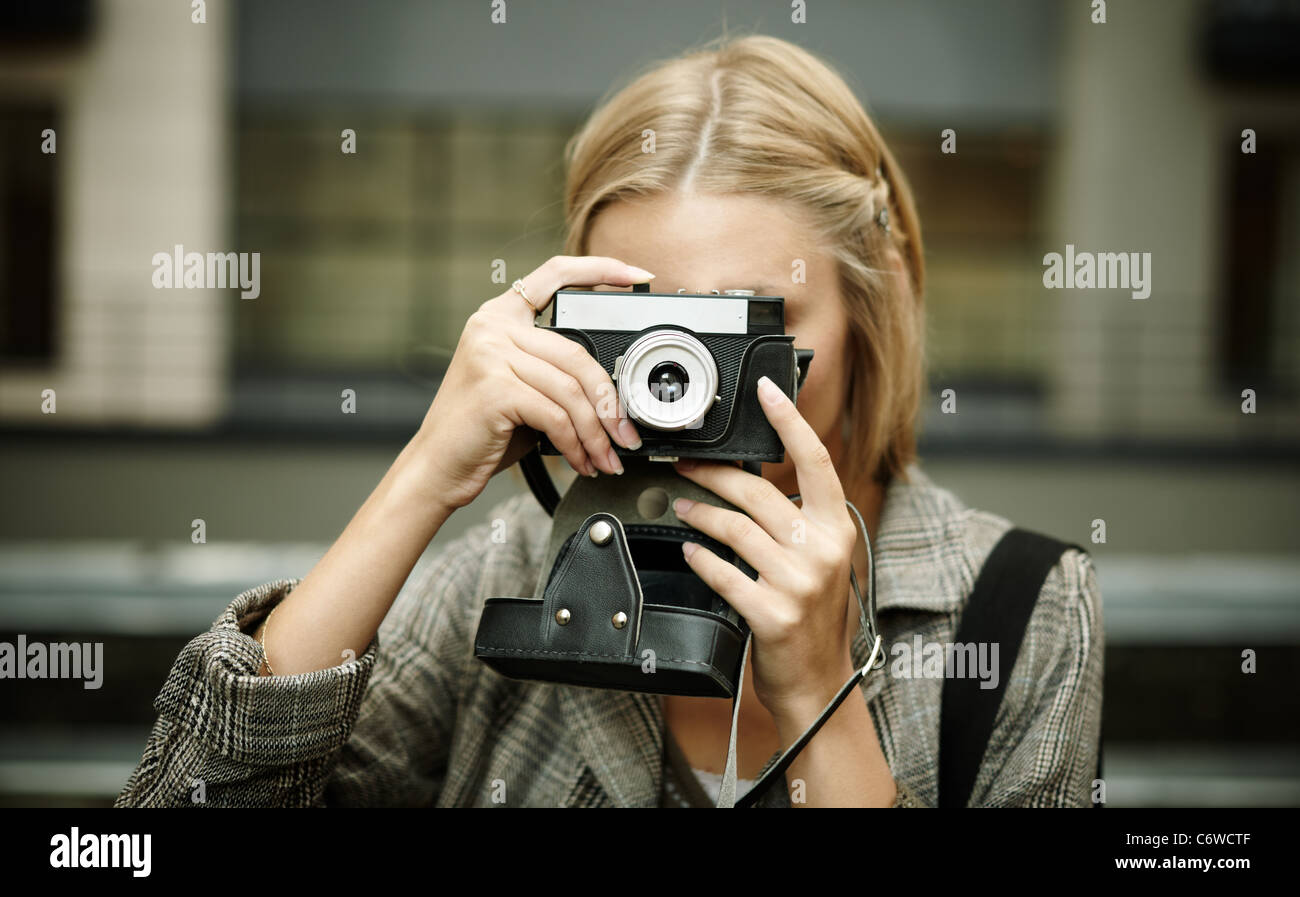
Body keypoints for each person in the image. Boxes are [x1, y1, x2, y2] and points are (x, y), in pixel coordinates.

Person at [116, 34, 1102, 808]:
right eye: (650, 335)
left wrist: (821, 701)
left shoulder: (1022, 611)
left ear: (869, 304)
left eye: (749, 323)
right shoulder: (504, 578)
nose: (687, 386)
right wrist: (423, 475)